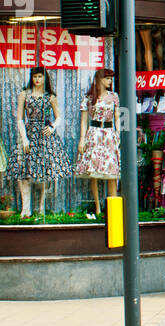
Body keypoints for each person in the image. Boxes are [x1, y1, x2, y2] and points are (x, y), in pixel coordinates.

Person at [7, 66, 74, 217]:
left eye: (40, 77)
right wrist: (24, 138)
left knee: (45, 171)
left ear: (45, 78)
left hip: (44, 136)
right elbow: (19, 118)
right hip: (29, 133)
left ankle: (41, 207)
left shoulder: (50, 96)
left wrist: (52, 127)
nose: (37, 79)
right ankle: (26, 209)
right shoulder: (24, 94)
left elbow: (59, 117)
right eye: (35, 76)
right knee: (24, 170)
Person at [75, 68, 121, 216]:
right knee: (93, 172)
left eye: (111, 79)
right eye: (107, 78)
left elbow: (117, 118)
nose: (110, 81)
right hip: (94, 133)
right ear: (100, 79)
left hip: (108, 134)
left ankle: (113, 209)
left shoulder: (114, 96)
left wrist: (119, 134)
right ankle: (97, 207)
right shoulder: (89, 98)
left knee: (112, 171)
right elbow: (83, 122)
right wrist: (82, 139)